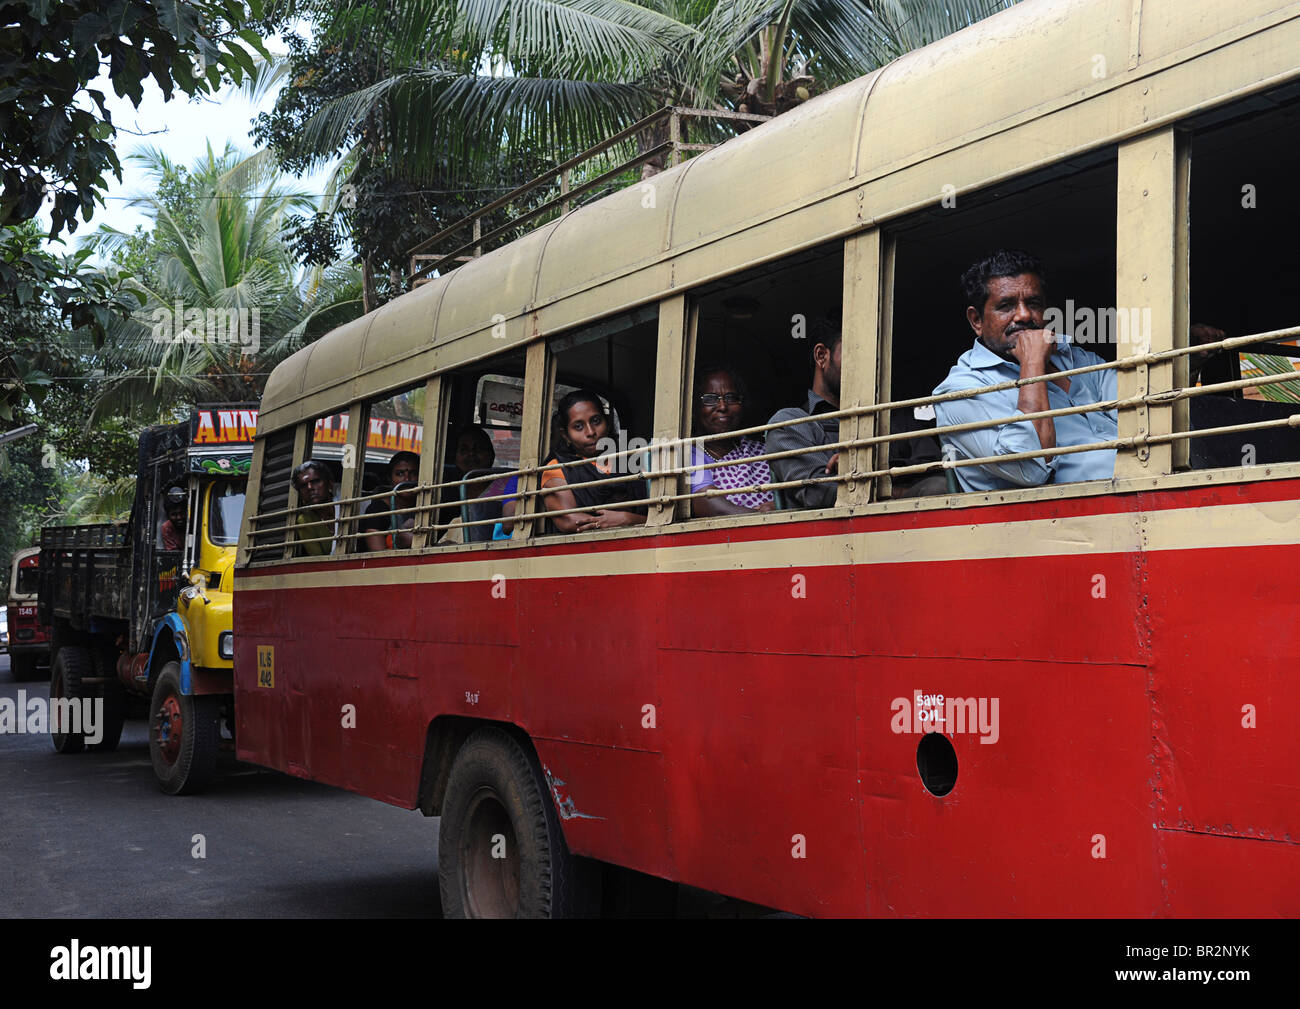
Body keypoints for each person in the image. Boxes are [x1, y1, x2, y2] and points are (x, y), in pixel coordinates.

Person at [932, 249, 1224, 491]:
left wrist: (1190, 363)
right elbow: (1030, 470)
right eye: (1006, 306)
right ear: (977, 321)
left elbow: (1143, 417)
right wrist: (1032, 364)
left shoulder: (1078, 359)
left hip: (1151, 491)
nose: (1023, 315)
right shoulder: (959, 391)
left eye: (1033, 303)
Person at [540, 389, 647, 533]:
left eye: (596, 421)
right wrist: (627, 521)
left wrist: (629, 519)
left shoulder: (629, 459)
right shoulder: (557, 469)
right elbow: (571, 521)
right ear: (565, 435)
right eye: (578, 426)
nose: (590, 432)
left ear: (608, 423)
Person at [765, 318, 844, 509]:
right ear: (821, 356)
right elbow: (819, 493)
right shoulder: (791, 423)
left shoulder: (895, 419)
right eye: (855, 352)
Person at [689, 365, 774, 517]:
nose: (722, 406)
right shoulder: (689, 454)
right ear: (694, 409)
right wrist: (762, 517)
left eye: (731, 398)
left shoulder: (760, 450)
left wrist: (777, 506)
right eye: (710, 399)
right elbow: (707, 503)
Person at [360, 451, 420, 551]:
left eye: (413, 473)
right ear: (390, 478)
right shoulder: (377, 510)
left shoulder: (425, 505)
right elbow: (379, 556)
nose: (407, 479)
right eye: (399, 474)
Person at [292, 460, 338, 556]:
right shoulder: (305, 521)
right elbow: (318, 559)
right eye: (303, 485)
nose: (310, 488)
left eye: (316, 481)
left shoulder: (344, 504)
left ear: (329, 483)